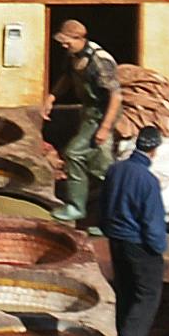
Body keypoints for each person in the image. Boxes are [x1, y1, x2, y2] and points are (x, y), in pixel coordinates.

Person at [89, 115, 169, 336]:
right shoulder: (148, 181)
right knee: (147, 296)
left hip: (116, 240)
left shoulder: (116, 170)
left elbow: (103, 203)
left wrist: (105, 227)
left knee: (125, 291)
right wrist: (159, 249)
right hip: (139, 244)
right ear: (155, 149)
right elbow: (152, 221)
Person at [44, 21, 120, 219]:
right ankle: (100, 214)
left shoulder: (100, 61)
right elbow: (67, 77)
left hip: (103, 115)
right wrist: (52, 97)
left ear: (79, 39)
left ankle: (79, 208)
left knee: (74, 154)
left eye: (67, 41)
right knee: (98, 165)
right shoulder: (73, 56)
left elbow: (115, 96)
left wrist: (104, 127)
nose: (63, 45)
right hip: (88, 113)